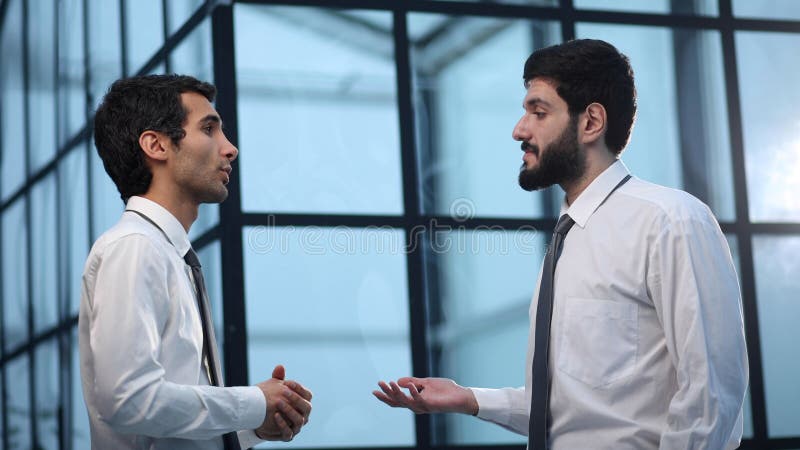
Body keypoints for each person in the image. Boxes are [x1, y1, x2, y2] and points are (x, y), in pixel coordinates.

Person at [374, 39, 748, 449]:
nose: (519, 130)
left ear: (590, 123)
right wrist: (471, 399)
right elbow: (571, 410)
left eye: (538, 111)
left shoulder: (671, 220)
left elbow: (710, 398)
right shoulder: (567, 239)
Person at [79, 74, 312, 450]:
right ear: (156, 145)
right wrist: (253, 403)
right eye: (209, 129)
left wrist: (254, 426)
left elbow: (163, 421)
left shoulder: (169, 254)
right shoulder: (136, 247)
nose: (230, 148)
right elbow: (127, 400)